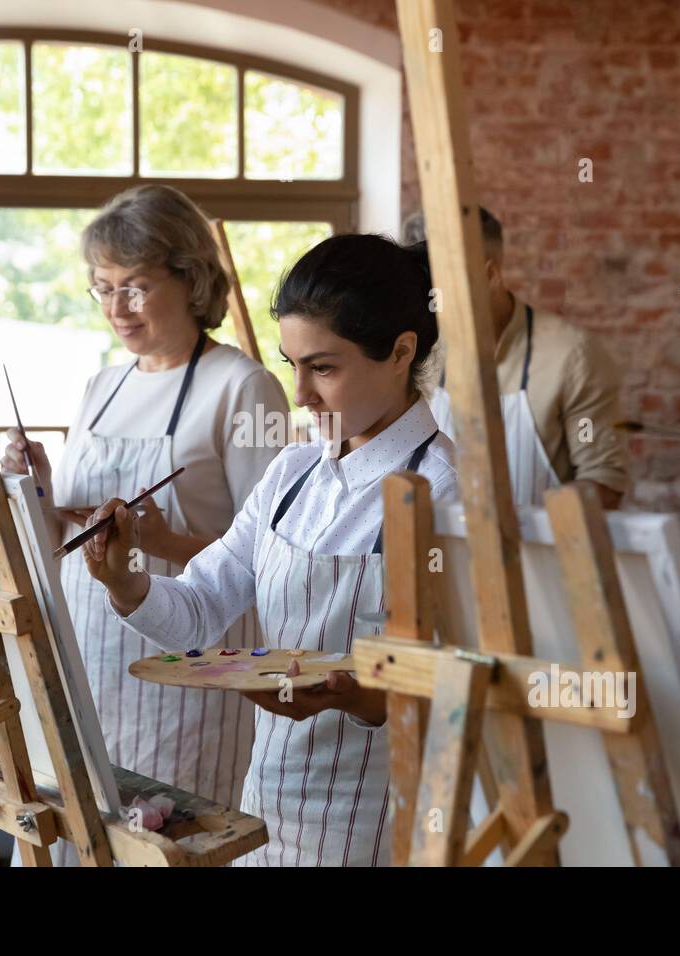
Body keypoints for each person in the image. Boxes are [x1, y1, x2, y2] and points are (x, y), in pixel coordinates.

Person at [80, 234, 458, 866]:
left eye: (324, 367)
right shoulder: (292, 474)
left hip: (380, 818)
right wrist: (126, 582)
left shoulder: (445, 490)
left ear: (400, 351)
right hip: (265, 805)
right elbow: (202, 607)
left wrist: (354, 698)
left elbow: (459, 684)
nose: (302, 393)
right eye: (293, 365)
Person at [1, 186, 289, 842]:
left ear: (190, 279)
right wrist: (37, 485)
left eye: (133, 286)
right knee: (82, 837)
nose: (115, 308)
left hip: (184, 674)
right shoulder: (102, 387)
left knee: (166, 844)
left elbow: (271, 558)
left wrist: (169, 541)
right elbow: (59, 543)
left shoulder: (244, 386)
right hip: (85, 661)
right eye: (101, 288)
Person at [402, 208, 628, 509]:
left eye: (437, 291)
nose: (429, 304)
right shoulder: (418, 351)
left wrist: (517, 526)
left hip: (539, 552)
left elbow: (604, 483)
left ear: (490, 276)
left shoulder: (573, 356)